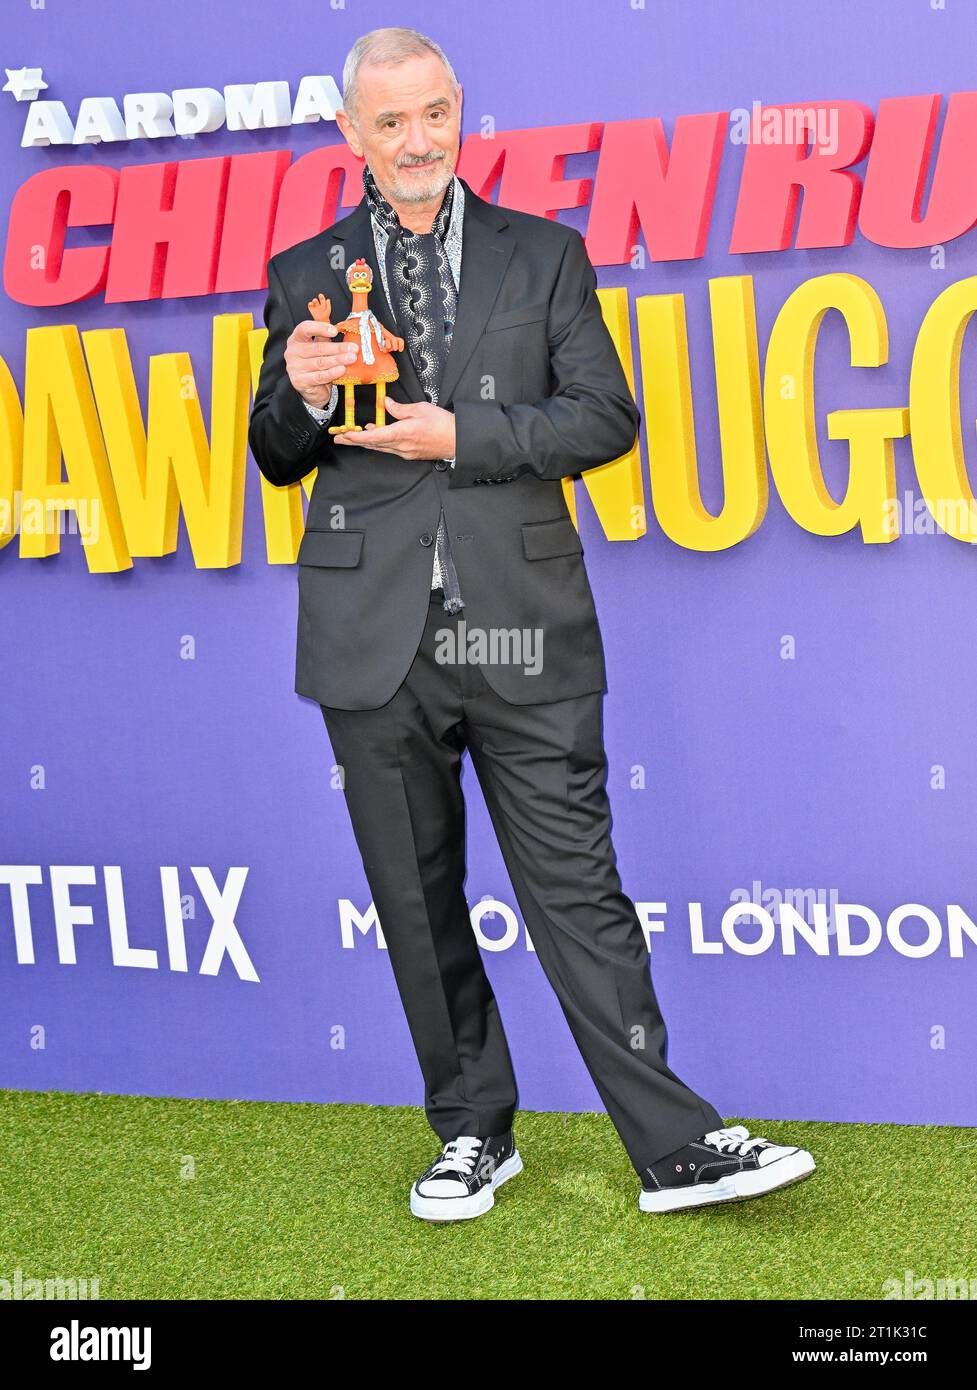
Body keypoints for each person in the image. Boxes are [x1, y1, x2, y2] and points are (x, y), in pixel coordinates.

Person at [248, 26, 816, 1220]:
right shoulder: (305, 272)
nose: (418, 141)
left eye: (434, 113)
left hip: (522, 628)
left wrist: (465, 437)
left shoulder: (544, 254)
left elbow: (603, 416)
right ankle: (471, 1133)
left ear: (460, 108)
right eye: (390, 122)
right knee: (414, 901)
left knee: (579, 890)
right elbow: (276, 454)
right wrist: (297, 391)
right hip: (370, 638)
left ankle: (674, 1145)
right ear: (351, 134)